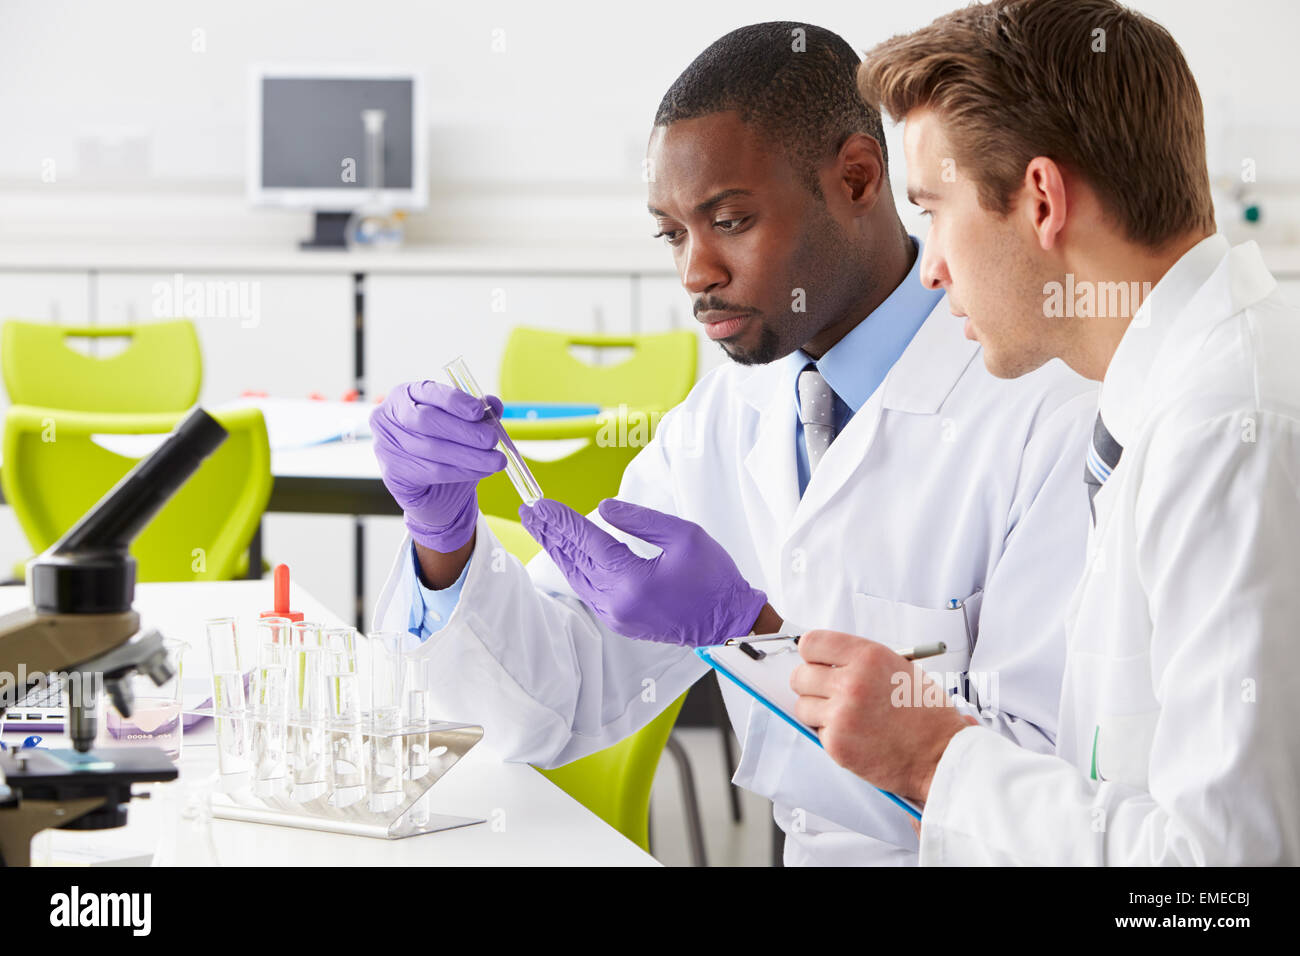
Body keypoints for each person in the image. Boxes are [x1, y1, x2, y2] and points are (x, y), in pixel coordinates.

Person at [370, 21, 1095, 865]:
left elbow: (1047, 796)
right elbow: (552, 704)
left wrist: (753, 629)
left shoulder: (1048, 412)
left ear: (858, 178)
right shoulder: (732, 409)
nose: (694, 271)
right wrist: (443, 543)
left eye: (730, 219)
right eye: (674, 234)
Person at [787, 0, 1300, 864]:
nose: (933, 268)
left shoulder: (1227, 431)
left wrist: (935, 759)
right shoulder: (1169, 392)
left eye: (936, 208)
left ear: (1041, 199)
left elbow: (1220, 884)